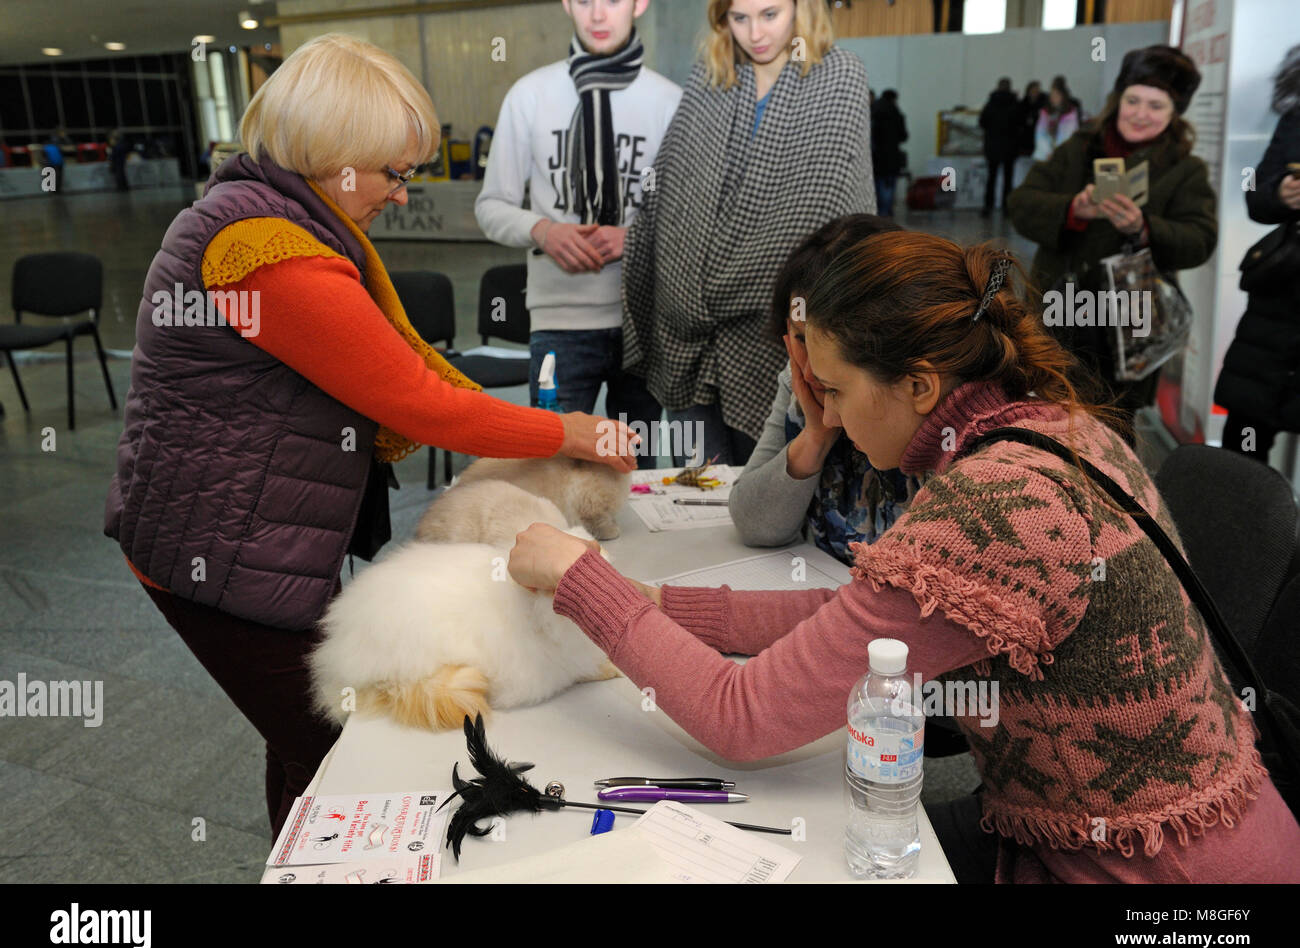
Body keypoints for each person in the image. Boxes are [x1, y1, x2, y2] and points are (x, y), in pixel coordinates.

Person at [507, 230, 1300, 884]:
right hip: (1164, 836)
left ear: (919, 385)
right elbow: (867, 618)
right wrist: (663, 604)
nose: (832, 417)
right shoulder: (1049, 431)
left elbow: (740, 715)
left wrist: (585, 581)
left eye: (838, 391)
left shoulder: (988, 506)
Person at [102, 34, 638, 839]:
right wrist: (565, 428)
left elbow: (410, 364)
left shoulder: (279, 219)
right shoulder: (265, 248)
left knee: (304, 744)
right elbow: (419, 399)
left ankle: (302, 859)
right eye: (393, 171)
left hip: (248, 535)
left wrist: (549, 433)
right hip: (217, 549)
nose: (399, 193)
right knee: (347, 752)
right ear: (335, 153)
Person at [621, 0, 875, 467]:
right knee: (693, 492)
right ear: (723, 20)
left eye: (770, 14)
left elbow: (820, 206)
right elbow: (676, 190)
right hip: (688, 330)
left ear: (801, 9)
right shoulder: (710, 76)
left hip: (775, 327)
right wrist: (685, 286)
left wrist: (723, 279)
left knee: (765, 483)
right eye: (739, 19)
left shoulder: (838, 74)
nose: (755, 32)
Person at [475, 0, 680, 470]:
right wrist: (542, 229)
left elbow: (689, 215)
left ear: (640, 3)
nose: (598, 15)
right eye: (585, 1)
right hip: (560, 321)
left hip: (644, 319)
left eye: (612, 0)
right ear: (568, 4)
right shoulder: (530, 95)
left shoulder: (669, 101)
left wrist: (635, 237)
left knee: (637, 470)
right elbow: (490, 206)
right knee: (556, 473)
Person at [1008, 45, 1217, 440]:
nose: (1140, 113)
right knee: (1051, 419)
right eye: (1133, 100)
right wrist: (1074, 209)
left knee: (1115, 430)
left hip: (1128, 322)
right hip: (1061, 307)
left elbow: (1201, 238)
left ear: (1174, 114)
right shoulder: (1078, 148)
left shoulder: (1185, 170)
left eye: (1155, 106)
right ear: (1118, 99)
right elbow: (1021, 204)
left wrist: (1144, 229)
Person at [730, 213, 924, 563]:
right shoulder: (799, 385)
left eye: (824, 341)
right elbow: (754, 523)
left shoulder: (926, 403)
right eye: (800, 339)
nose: (808, 368)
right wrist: (815, 437)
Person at [1214, 44, 1300, 463]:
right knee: (1244, 439)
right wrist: (1280, 192)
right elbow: (1258, 195)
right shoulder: (1295, 118)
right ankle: (1243, 525)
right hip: (1279, 306)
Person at [979, 78, 1021, 216]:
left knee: (991, 178)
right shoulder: (1015, 104)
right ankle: (1006, 208)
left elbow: (982, 122)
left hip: (992, 147)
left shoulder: (991, 103)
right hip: (1010, 147)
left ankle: (987, 207)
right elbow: (1019, 124)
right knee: (1008, 180)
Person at [871, 89, 907, 217]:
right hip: (892, 157)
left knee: (877, 186)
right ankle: (885, 214)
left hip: (875, 158)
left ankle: (878, 213)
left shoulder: (873, 111)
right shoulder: (896, 113)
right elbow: (903, 136)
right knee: (889, 186)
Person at [1032, 77, 1081, 161]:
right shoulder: (1045, 112)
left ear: (1063, 96)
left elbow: (1069, 135)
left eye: (1056, 95)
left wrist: (1057, 153)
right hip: (1045, 155)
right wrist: (1048, 152)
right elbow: (1040, 133)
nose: (1053, 98)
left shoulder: (1070, 113)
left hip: (1063, 155)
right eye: (1051, 95)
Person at [1019, 80, 1046, 158]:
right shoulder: (1023, 104)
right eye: (1033, 91)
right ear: (1028, 91)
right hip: (1026, 139)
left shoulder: (1044, 104)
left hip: (1040, 137)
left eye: (1037, 91)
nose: (1035, 93)